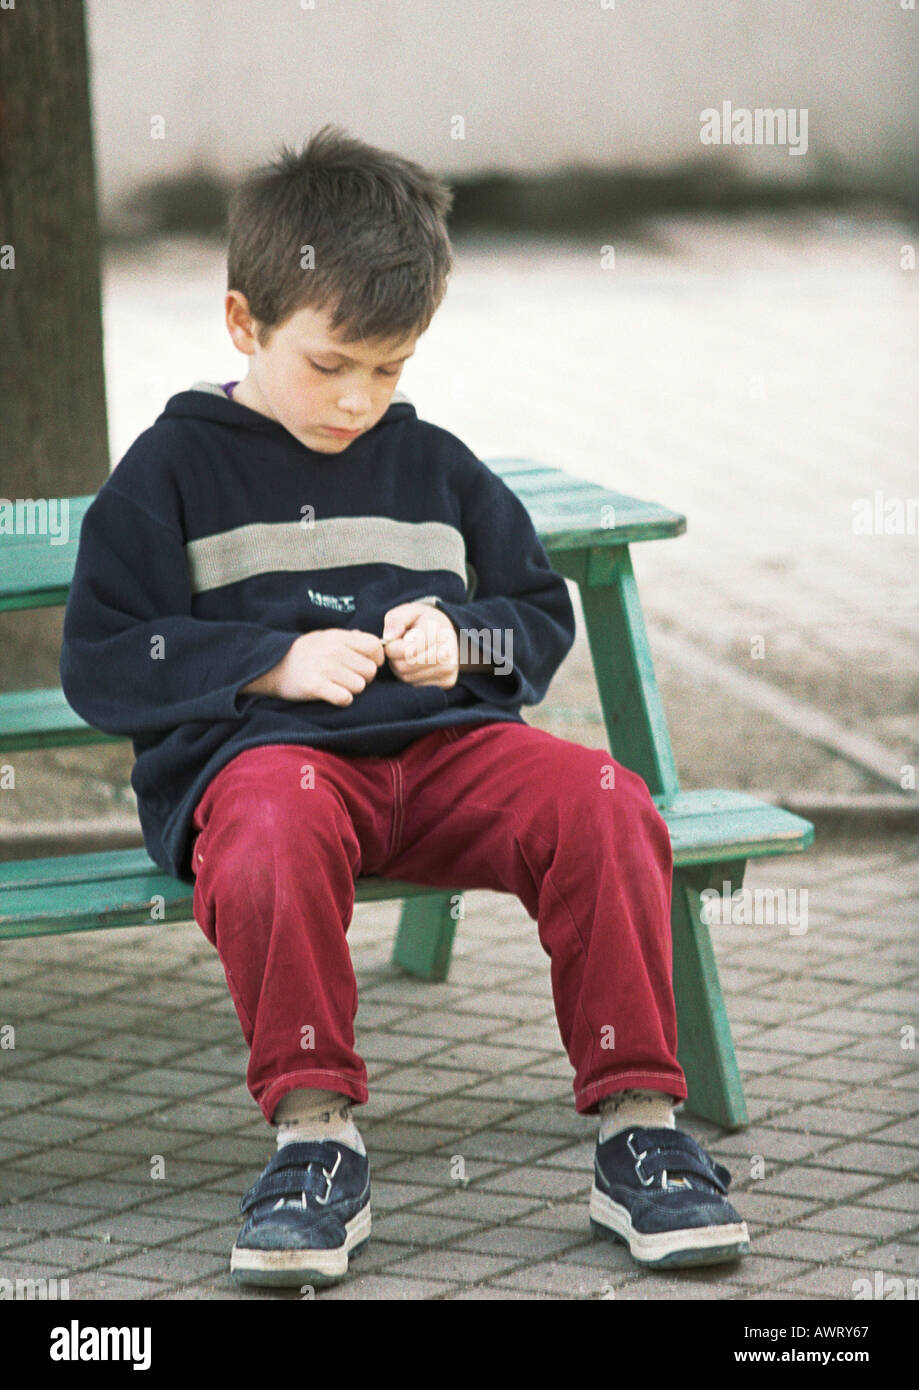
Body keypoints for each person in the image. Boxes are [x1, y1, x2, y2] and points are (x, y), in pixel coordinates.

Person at [60, 124, 749, 1290]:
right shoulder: (170, 468)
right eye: (329, 365)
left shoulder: (430, 461)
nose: (358, 400)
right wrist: (266, 664)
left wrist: (461, 641)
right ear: (244, 323)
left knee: (603, 798)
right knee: (274, 823)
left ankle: (640, 1124)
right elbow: (107, 653)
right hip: (268, 770)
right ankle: (314, 1139)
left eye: (390, 369)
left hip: (444, 752)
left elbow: (532, 613)